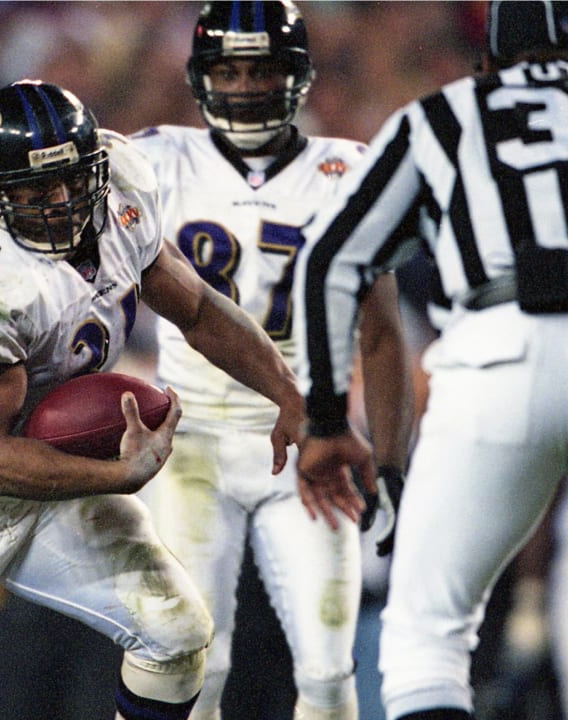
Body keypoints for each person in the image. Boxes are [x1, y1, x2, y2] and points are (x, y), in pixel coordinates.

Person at [0, 79, 307, 720]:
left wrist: (289, 393)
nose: (62, 200)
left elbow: (200, 308)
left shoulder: (123, 187)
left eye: (72, 177)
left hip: (55, 484)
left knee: (176, 636)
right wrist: (116, 473)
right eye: (37, 188)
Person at [127, 3, 414, 718]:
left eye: (263, 69)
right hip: (188, 439)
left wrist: (395, 462)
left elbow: (381, 336)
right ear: (201, 77)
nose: (247, 86)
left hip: (315, 439)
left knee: (325, 668)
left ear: (298, 77)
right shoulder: (153, 158)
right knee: (195, 661)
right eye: (229, 69)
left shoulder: (347, 167)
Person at [292, 2, 568, 719]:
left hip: (502, 347)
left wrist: (325, 416)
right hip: (504, 337)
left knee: (427, 637)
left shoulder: (448, 115)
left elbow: (328, 258)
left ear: (491, 57)